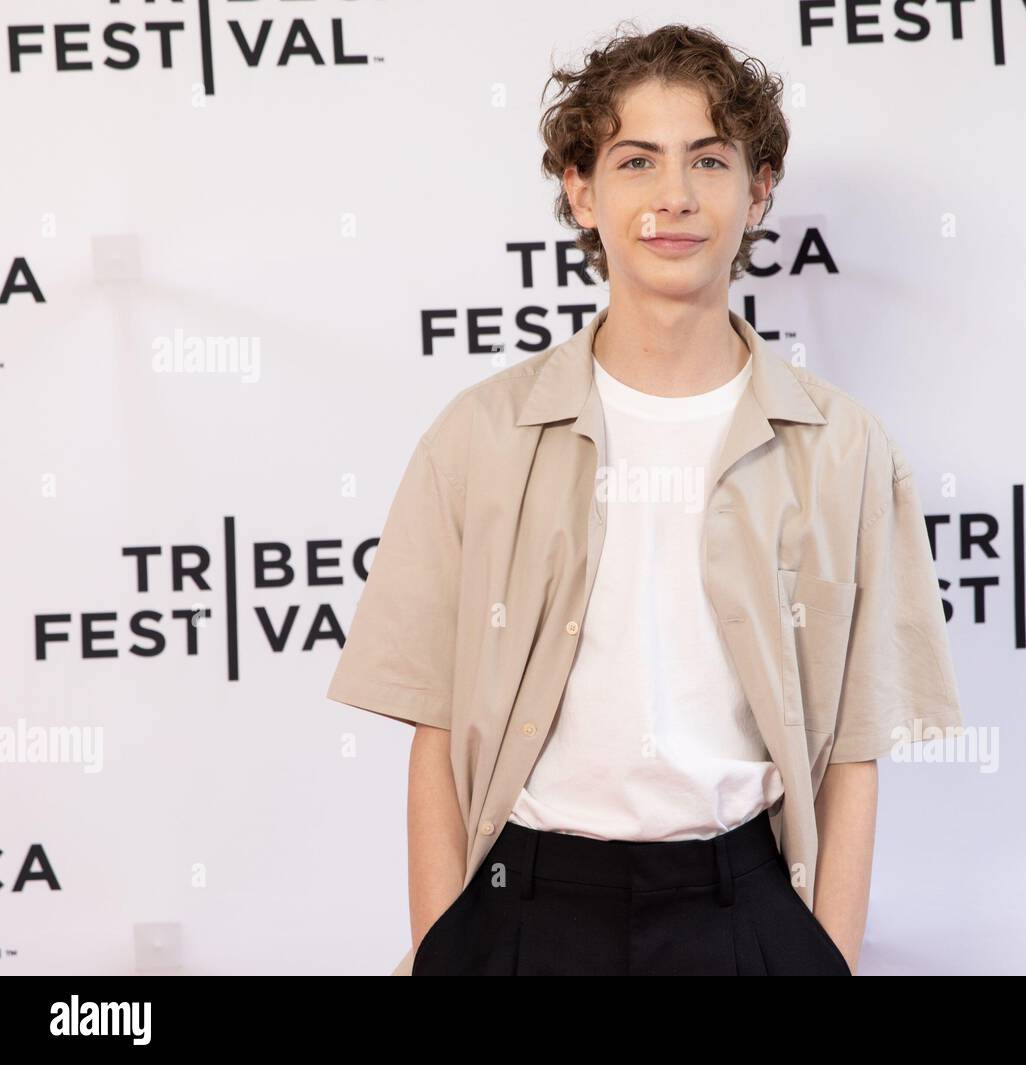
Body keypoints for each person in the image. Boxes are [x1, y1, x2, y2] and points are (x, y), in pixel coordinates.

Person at [326, 21, 964, 976]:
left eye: (708, 161)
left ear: (758, 192)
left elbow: (855, 749)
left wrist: (825, 960)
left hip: (744, 907)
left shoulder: (845, 449)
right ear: (582, 192)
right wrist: (440, 951)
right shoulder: (481, 434)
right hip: (520, 908)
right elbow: (433, 727)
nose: (674, 198)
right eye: (636, 161)